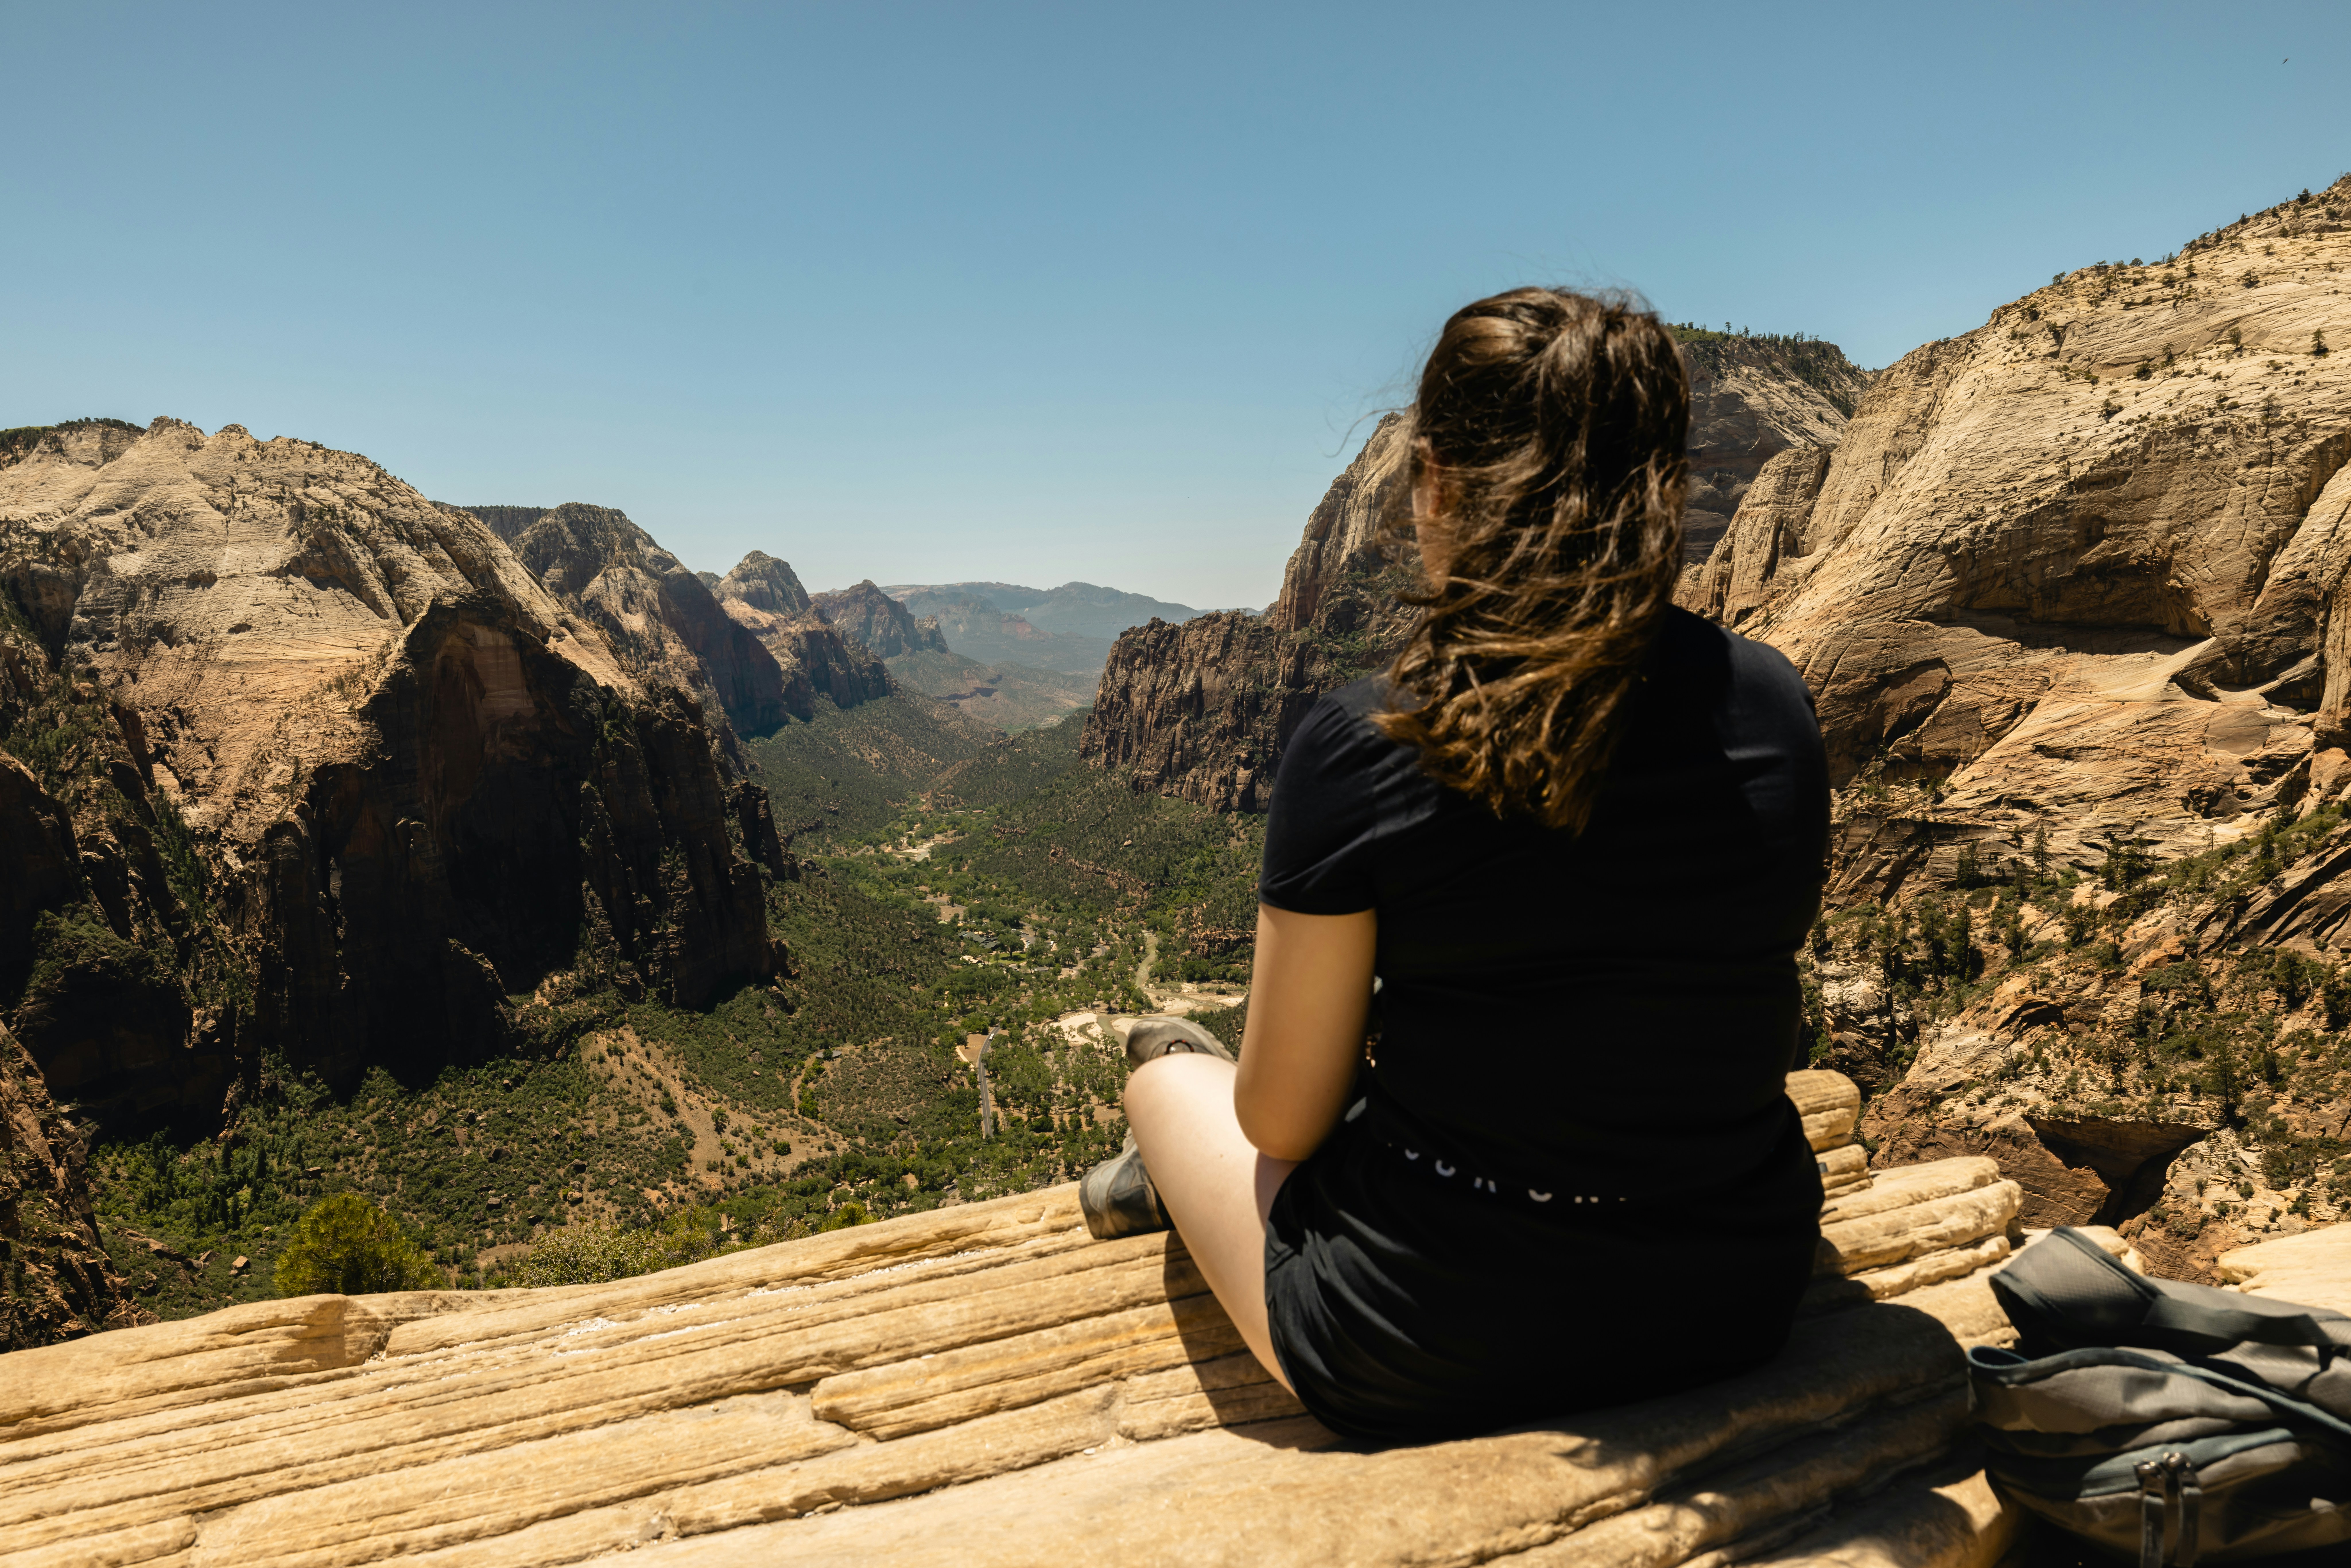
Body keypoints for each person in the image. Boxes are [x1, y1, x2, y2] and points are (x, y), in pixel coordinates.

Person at [1078, 286, 1831, 1444]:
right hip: (1729, 1293)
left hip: (1421, 1335)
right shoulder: (1774, 704)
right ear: (1660, 489)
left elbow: (1281, 1119)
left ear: (1431, 482)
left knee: (1166, 1078)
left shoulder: (1367, 742)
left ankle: (1172, 1164)